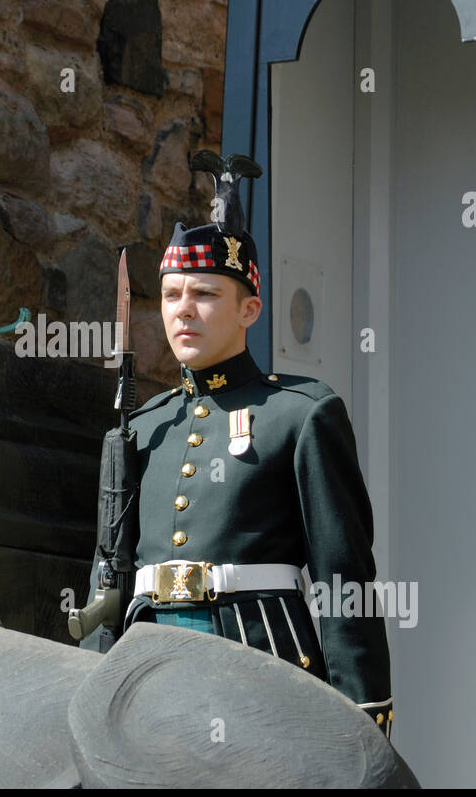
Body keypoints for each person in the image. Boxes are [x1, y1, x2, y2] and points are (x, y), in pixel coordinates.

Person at [89, 153, 394, 737]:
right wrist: (91, 685)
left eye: (204, 293)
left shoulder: (301, 414)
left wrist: (365, 714)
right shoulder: (144, 427)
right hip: (145, 669)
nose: (183, 309)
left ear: (249, 309)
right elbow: (110, 573)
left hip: (261, 660)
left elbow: (344, 576)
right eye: (172, 294)